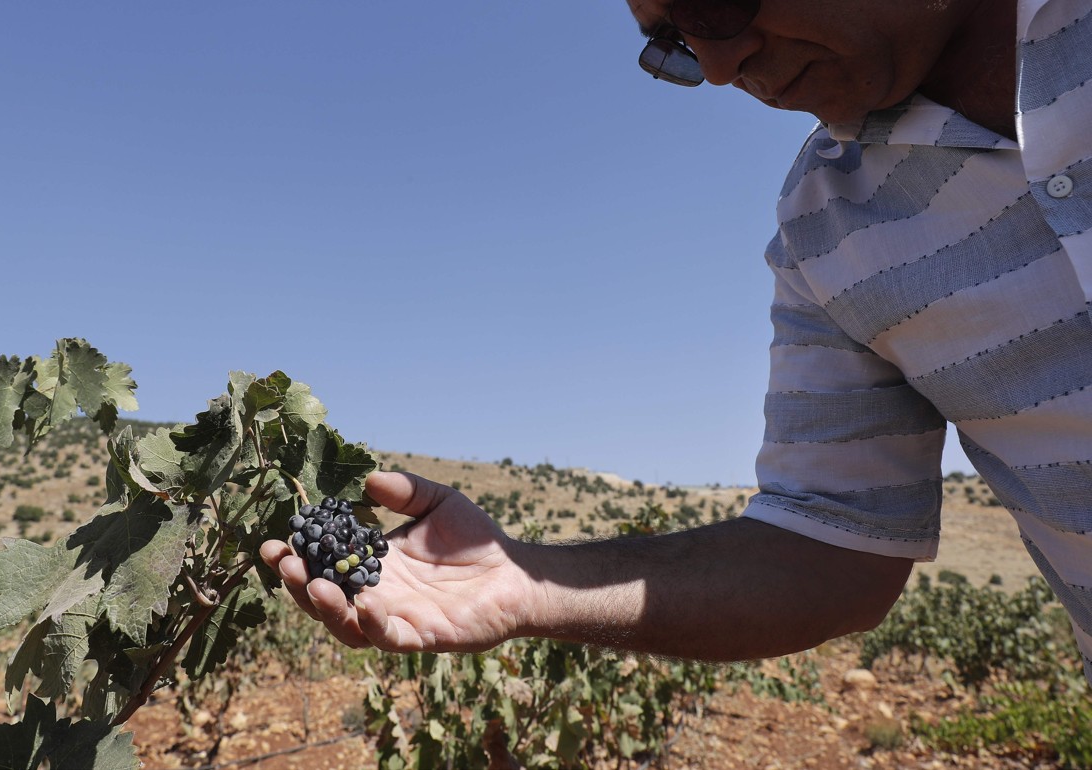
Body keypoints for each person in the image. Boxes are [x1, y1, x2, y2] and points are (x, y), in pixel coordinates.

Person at [262, 0, 1092, 684]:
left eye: (715, 5)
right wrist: (526, 585)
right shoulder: (826, 223)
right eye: (676, 43)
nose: (722, 69)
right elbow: (832, 549)